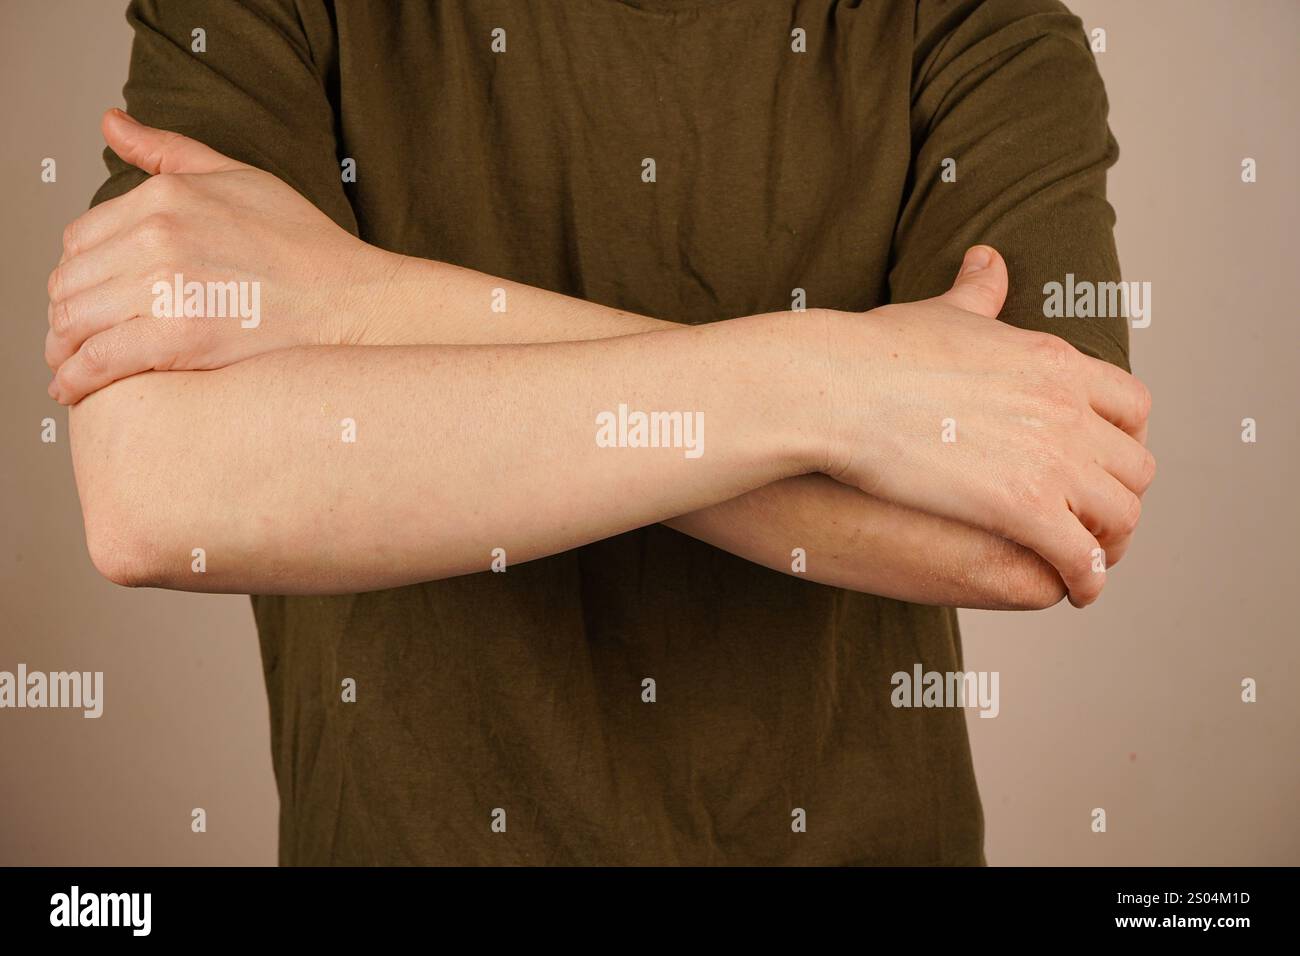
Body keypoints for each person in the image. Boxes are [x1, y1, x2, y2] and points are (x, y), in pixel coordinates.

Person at [45, 0, 1154, 865]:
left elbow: (1036, 520)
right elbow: (152, 485)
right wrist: (835, 385)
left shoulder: (975, 28)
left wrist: (360, 302)